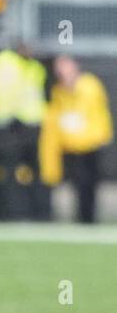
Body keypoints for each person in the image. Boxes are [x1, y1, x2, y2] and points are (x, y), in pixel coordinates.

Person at [0, 44, 46, 220]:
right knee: (14, 173)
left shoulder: (9, 66)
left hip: (4, 126)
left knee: (1, 173)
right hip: (14, 127)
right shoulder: (15, 67)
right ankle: (16, 214)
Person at [48, 56, 112, 224]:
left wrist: (102, 135)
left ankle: (89, 218)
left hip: (90, 142)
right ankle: (80, 217)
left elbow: (99, 112)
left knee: (90, 183)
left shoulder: (90, 85)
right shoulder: (59, 91)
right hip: (70, 144)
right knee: (76, 184)